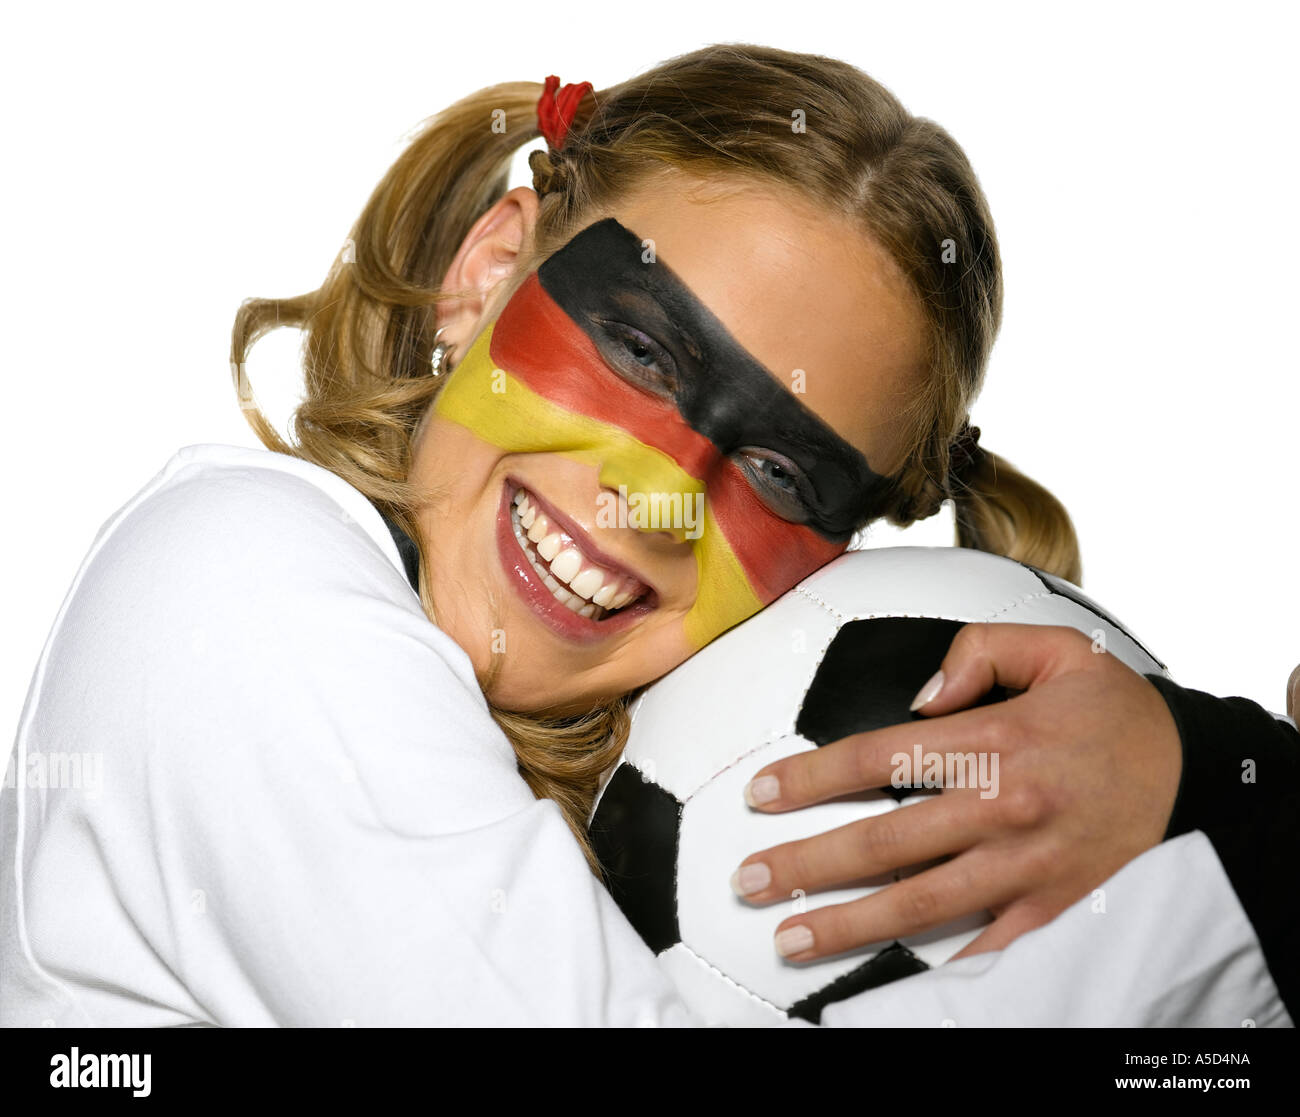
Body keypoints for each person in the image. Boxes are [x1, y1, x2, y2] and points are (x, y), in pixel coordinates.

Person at [1, 44, 1293, 1027]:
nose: (657, 496)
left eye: (782, 470)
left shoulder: (622, 813)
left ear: (829, 573)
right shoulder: (235, 573)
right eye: (638, 345)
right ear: (489, 263)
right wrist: (1253, 828)